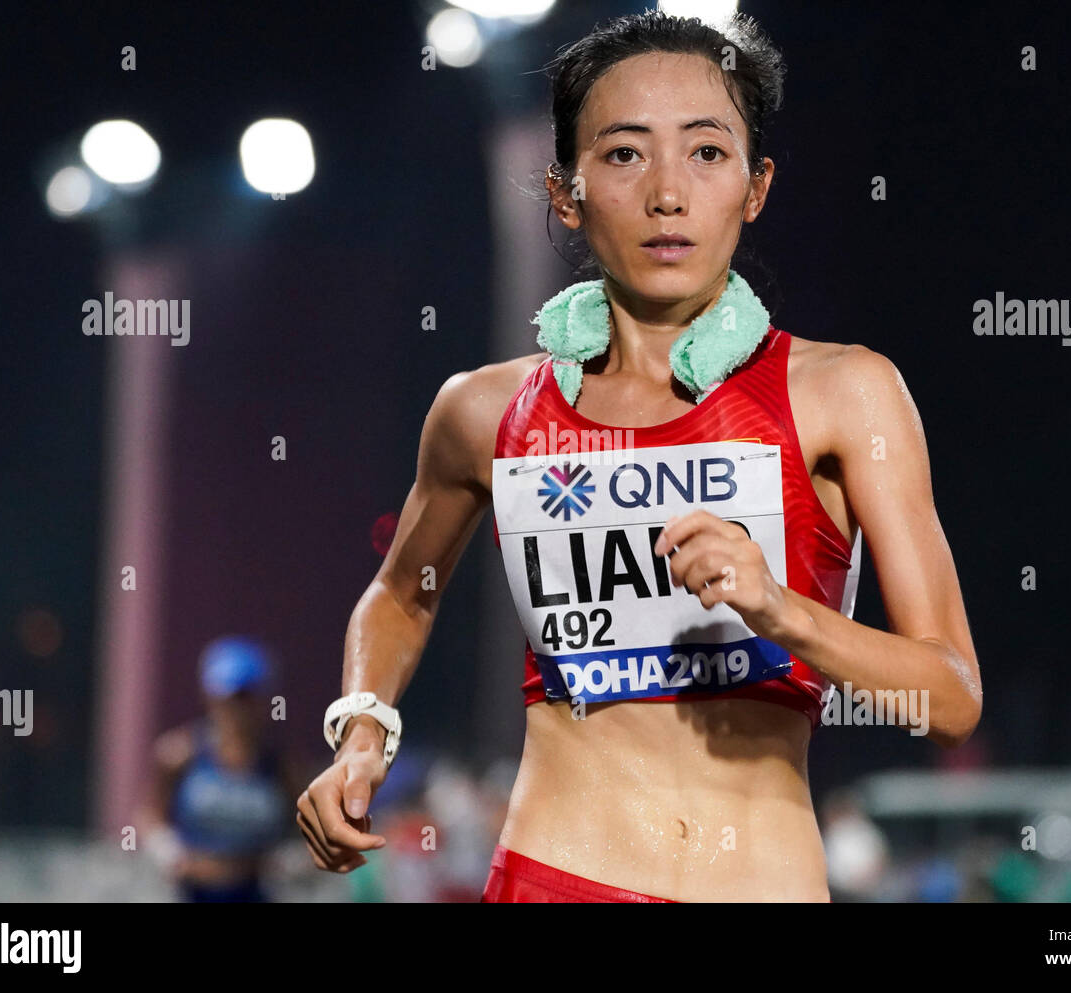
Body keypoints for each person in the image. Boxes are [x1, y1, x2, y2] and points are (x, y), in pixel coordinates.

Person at [298, 10, 981, 902]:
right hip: (556, 875)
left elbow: (951, 698)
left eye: (706, 152)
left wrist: (781, 610)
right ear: (564, 192)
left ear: (756, 184)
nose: (668, 193)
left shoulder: (846, 393)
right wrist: (362, 729)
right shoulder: (483, 410)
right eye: (624, 154)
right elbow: (400, 592)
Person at [140, 636, 299, 902]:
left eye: (248, 699)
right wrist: (167, 852)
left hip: (255, 893)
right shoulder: (179, 755)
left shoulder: (281, 765)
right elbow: (151, 815)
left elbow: (303, 828)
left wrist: (290, 860)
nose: (239, 711)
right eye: (232, 699)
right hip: (192, 893)